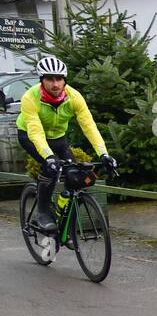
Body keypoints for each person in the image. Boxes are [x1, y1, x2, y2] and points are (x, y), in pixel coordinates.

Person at [14, 56, 115, 234]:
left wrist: (103, 154)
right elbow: (35, 131)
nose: (55, 84)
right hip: (29, 136)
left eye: (59, 79)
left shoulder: (74, 97)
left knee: (75, 177)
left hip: (58, 138)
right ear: (41, 80)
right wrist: (48, 157)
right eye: (50, 79)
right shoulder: (30, 97)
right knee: (51, 169)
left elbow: (89, 126)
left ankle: (67, 228)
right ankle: (43, 213)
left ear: (64, 80)